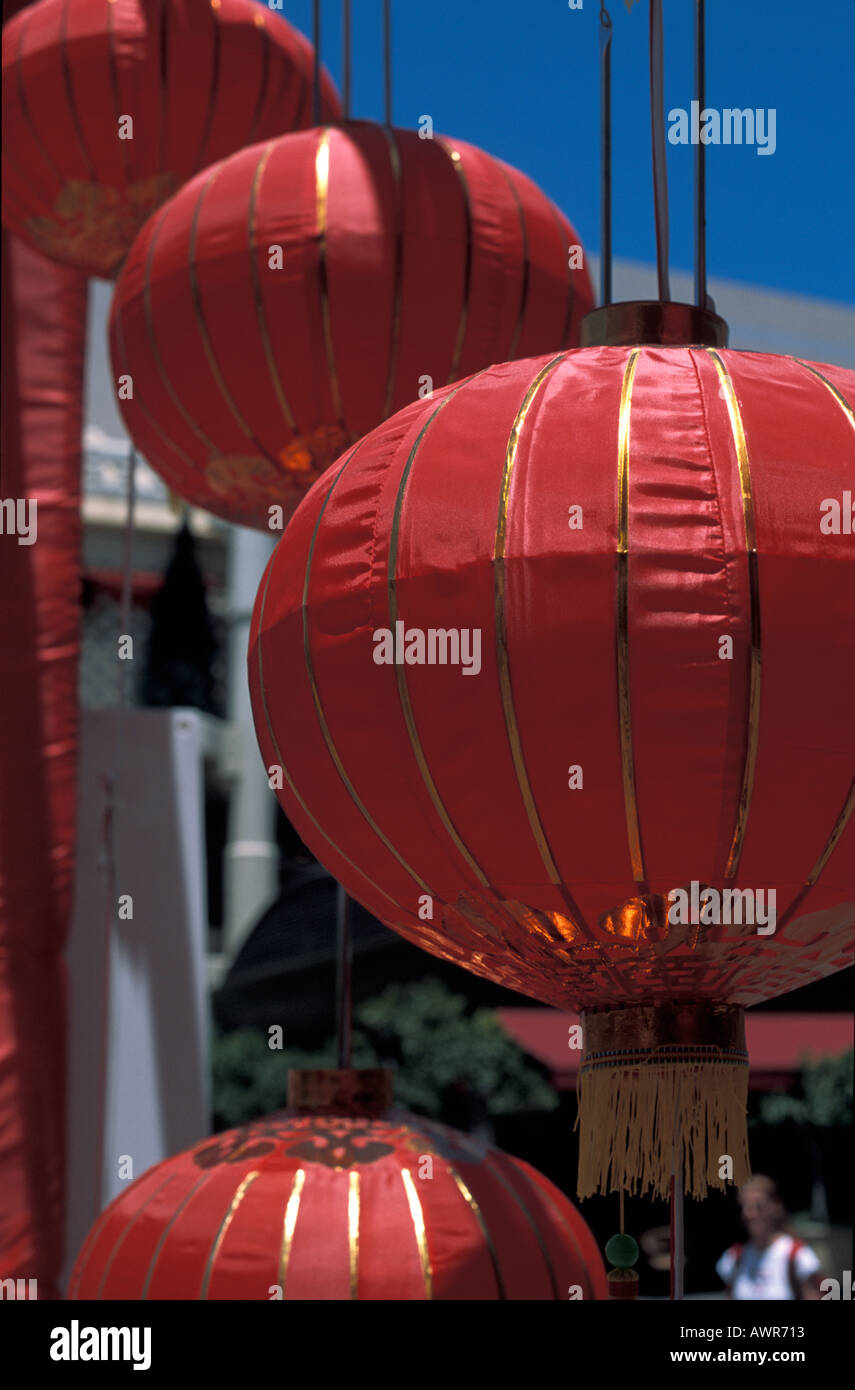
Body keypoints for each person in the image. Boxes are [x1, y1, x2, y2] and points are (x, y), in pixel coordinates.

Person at [716, 1175, 823, 1300]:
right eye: (745, 1207)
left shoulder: (796, 1255)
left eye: (758, 1206)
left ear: (776, 1206)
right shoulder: (734, 1258)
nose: (750, 1214)